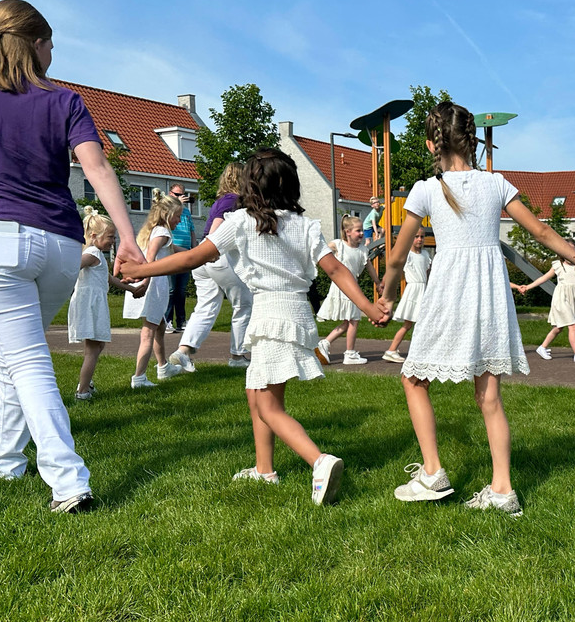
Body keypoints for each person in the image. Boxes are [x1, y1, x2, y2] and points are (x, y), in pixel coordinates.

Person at [0, 0, 142, 513]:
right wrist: (128, 237)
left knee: (26, 357)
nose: (53, 54)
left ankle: (68, 479)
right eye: (51, 44)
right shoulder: (65, 100)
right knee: (16, 354)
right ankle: (5, 460)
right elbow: (98, 169)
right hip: (61, 245)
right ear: (35, 43)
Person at [119, 148, 389, 502]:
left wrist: (140, 270)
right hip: (295, 315)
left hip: (270, 317)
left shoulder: (241, 222)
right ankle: (265, 470)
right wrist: (369, 308)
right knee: (256, 390)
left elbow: (192, 258)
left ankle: (320, 461)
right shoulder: (305, 225)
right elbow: (336, 270)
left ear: (250, 186)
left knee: (269, 407)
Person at [377, 101, 575, 517]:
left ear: (431, 144)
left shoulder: (425, 190)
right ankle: (502, 490)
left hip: (448, 294)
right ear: (472, 141)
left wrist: (387, 296)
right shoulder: (496, 184)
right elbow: (542, 231)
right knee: (489, 395)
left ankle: (433, 472)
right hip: (489, 296)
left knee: (413, 379)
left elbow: (396, 258)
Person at [168, 163, 253, 372]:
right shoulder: (233, 200)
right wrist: (214, 251)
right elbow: (216, 229)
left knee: (205, 306)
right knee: (244, 302)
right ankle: (238, 355)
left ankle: (183, 351)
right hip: (217, 255)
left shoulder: (221, 200)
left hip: (203, 257)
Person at [68, 212, 145, 400]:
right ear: (94, 236)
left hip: (93, 304)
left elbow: (108, 278)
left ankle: (86, 384)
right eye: (110, 237)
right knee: (93, 349)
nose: (113, 241)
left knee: (97, 345)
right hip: (89, 305)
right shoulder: (92, 253)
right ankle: (82, 391)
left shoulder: (97, 255)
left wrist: (131, 289)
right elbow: (73, 267)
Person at [124, 191, 184, 388]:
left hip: (149, 283)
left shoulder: (153, 231)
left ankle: (163, 366)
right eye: (177, 216)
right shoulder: (162, 232)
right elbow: (150, 260)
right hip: (152, 285)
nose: (179, 220)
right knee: (148, 332)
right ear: (167, 214)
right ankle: (139, 378)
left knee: (159, 326)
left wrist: (200, 254)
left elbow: (174, 251)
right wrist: (145, 283)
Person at [511, 238, 575, 362]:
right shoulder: (558, 265)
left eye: (572, 251)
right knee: (572, 325)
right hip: (562, 299)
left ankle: (542, 347)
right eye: (566, 251)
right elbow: (543, 278)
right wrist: (527, 287)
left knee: (559, 327)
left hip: (573, 300)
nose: (569, 254)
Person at [315, 214, 380, 366]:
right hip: (342, 287)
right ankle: (349, 353)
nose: (362, 233)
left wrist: (377, 282)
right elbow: (321, 252)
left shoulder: (363, 250)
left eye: (362, 230)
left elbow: (369, 267)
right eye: (358, 230)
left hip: (352, 288)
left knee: (349, 322)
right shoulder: (338, 245)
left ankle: (325, 343)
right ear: (347, 232)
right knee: (354, 320)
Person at [382, 229, 430, 363]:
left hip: (423, 290)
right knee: (408, 324)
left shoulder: (426, 254)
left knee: (422, 323)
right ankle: (392, 350)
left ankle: (420, 351)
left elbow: (428, 272)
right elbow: (394, 269)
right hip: (414, 290)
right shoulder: (407, 255)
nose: (419, 239)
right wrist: (385, 282)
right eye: (416, 236)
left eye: (422, 237)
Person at [164, 184, 195, 332]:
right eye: (177, 195)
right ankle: (167, 320)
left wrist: (195, 249)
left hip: (186, 252)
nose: (180, 197)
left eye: (182, 195)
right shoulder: (167, 209)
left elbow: (192, 230)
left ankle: (181, 321)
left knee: (181, 289)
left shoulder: (186, 212)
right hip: (172, 251)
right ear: (170, 194)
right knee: (171, 289)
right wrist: (178, 205)